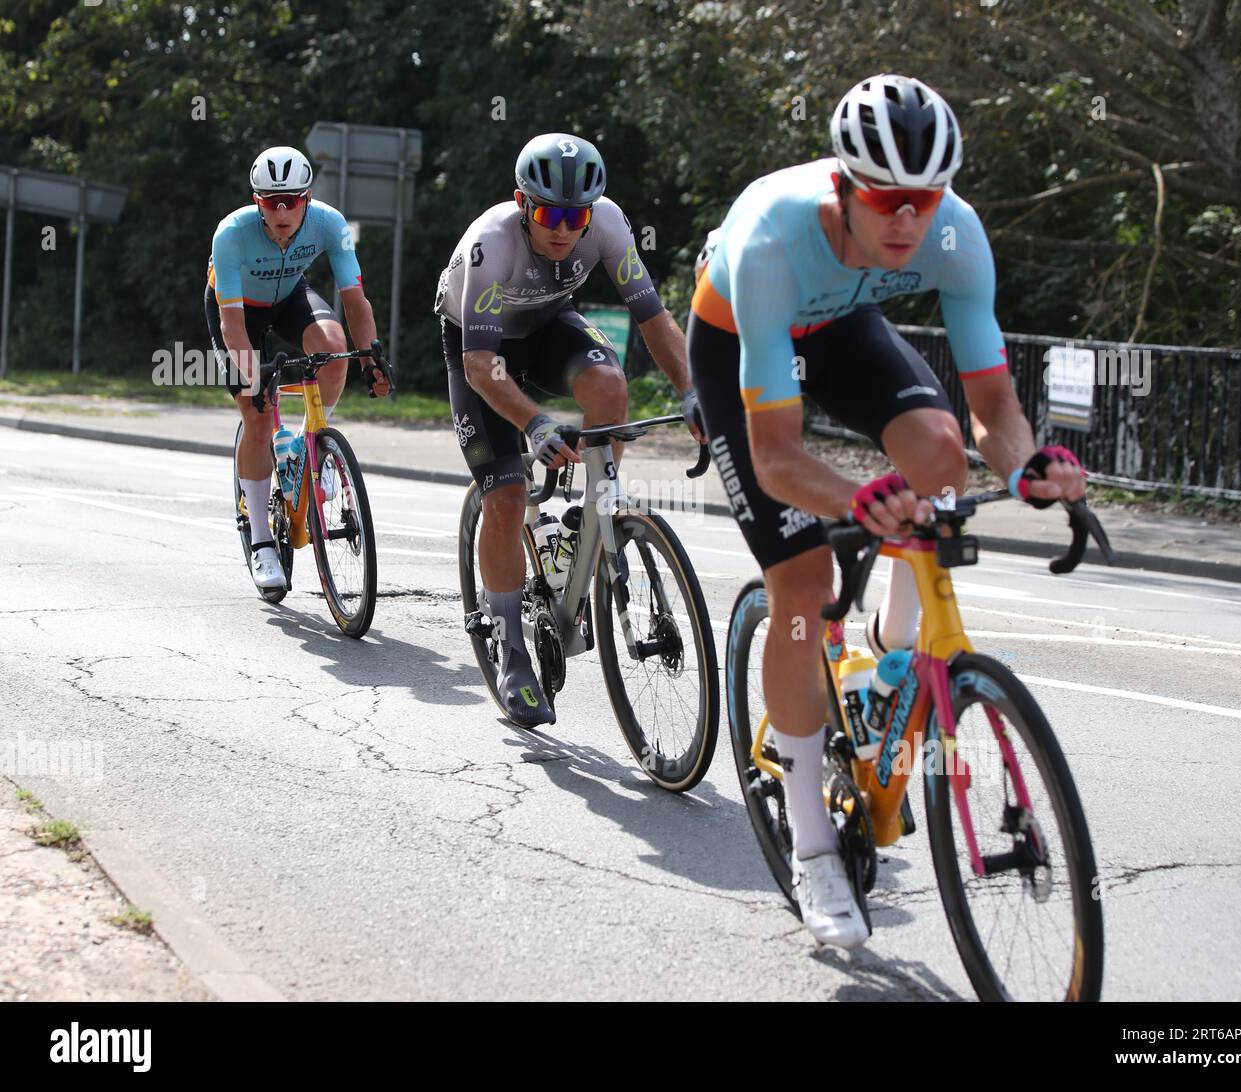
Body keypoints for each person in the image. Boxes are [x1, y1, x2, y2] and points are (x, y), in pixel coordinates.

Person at [688, 75, 1086, 947]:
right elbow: (778, 455)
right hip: (741, 339)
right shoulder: (770, 239)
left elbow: (993, 410)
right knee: (803, 582)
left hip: (840, 326)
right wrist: (856, 497)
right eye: (887, 200)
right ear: (843, 188)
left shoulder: (955, 233)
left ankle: (895, 664)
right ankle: (813, 842)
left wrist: (1033, 467)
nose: (909, 219)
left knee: (941, 452)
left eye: (925, 199)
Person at [435, 132, 705, 727]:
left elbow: (655, 320)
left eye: (575, 215)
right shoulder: (492, 245)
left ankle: (596, 509)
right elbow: (483, 367)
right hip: (481, 347)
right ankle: (508, 649)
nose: (562, 227)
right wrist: (533, 423)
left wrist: (692, 394)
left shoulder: (608, 225)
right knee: (505, 495)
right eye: (549, 213)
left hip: (548, 324)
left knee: (609, 385)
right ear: (521, 202)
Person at [206, 145, 390, 590]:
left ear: (308, 198)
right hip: (237, 310)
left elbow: (354, 301)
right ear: (258, 202)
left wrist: (372, 359)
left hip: (290, 297)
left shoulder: (331, 223)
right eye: (272, 202)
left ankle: (312, 447)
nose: (283, 210)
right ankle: (262, 542)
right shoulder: (230, 234)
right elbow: (231, 325)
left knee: (333, 347)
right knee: (259, 414)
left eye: (292, 200)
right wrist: (255, 379)